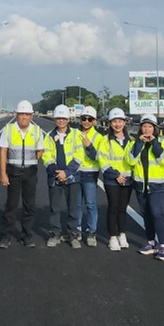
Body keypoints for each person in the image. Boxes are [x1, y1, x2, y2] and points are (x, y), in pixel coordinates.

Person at [0, 100, 46, 248]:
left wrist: (30, 161)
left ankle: (26, 235)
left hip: (30, 172)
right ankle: (6, 235)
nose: (24, 117)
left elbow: (40, 151)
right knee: (11, 205)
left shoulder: (37, 131)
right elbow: (3, 151)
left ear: (31, 115)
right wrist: (3, 173)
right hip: (13, 171)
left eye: (27, 114)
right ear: (17, 115)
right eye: (21, 114)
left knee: (29, 206)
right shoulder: (9, 129)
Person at [130, 114, 164, 260]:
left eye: (150, 126)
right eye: (144, 126)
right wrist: (139, 144)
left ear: (155, 129)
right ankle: (150, 242)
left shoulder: (163, 142)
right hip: (140, 185)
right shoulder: (135, 143)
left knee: (157, 213)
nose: (147, 129)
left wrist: (154, 143)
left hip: (157, 186)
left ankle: (163, 245)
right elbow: (130, 160)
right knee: (146, 214)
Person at [93, 108, 135, 251]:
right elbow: (102, 161)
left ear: (125, 122)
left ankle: (122, 234)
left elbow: (134, 160)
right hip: (112, 180)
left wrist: (125, 176)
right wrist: (116, 175)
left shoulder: (131, 141)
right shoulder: (105, 141)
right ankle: (112, 236)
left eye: (120, 121)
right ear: (110, 123)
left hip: (128, 179)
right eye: (115, 121)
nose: (117, 124)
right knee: (113, 207)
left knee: (122, 209)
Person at [41, 104, 83, 247]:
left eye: (63, 118)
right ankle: (55, 234)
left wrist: (67, 172)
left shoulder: (76, 134)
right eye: (58, 118)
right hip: (55, 177)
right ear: (54, 119)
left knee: (73, 208)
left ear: (68, 119)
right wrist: (56, 171)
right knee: (55, 208)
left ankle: (73, 236)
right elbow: (46, 156)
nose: (61, 121)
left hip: (72, 177)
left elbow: (79, 155)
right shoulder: (49, 136)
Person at [74, 106, 102, 247]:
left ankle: (92, 231)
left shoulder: (98, 137)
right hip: (76, 172)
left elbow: (99, 157)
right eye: (84, 118)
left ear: (94, 121)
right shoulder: (74, 134)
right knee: (77, 204)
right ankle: (77, 229)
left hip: (90, 173)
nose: (86, 121)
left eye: (89, 119)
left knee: (90, 204)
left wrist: (89, 146)